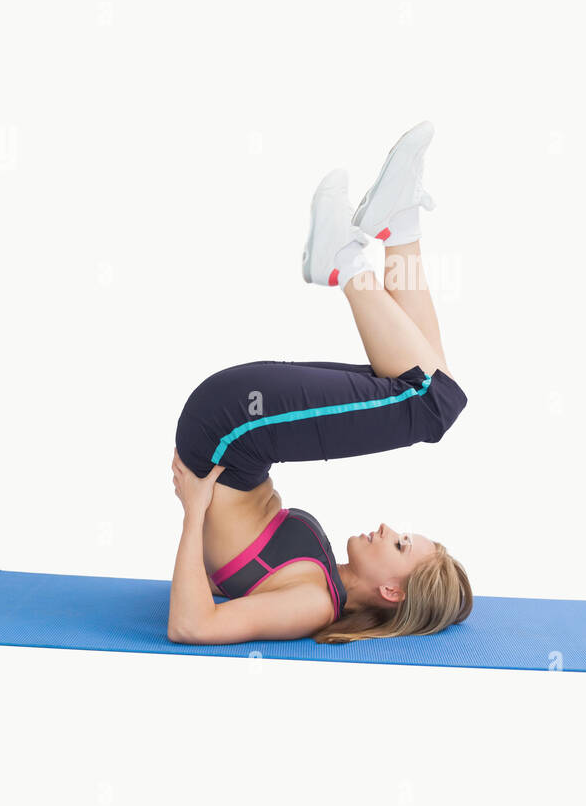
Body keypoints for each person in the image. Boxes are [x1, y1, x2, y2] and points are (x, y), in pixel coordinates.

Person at [169, 122, 471, 646]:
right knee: (423, 381)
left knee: (434, 405)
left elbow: (192, 626)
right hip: (238, 427)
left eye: (399, 545)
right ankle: (397, 225)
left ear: (392, 593)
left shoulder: (313, 603)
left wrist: (194, 513)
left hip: (232, 430)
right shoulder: (326, 577)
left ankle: (348, 261)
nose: (386, 528)